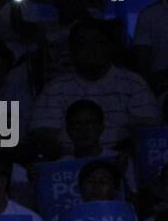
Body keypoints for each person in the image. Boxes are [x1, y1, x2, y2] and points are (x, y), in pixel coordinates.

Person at [32, 18, 161, 156]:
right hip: (68, 167)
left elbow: (149, 133)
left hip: (123, 163)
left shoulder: (133, 84)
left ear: (110, 47)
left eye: (98, 42)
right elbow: (42, 134)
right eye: (82, 44)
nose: (90, 49)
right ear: (71, 50)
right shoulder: (55, 88)